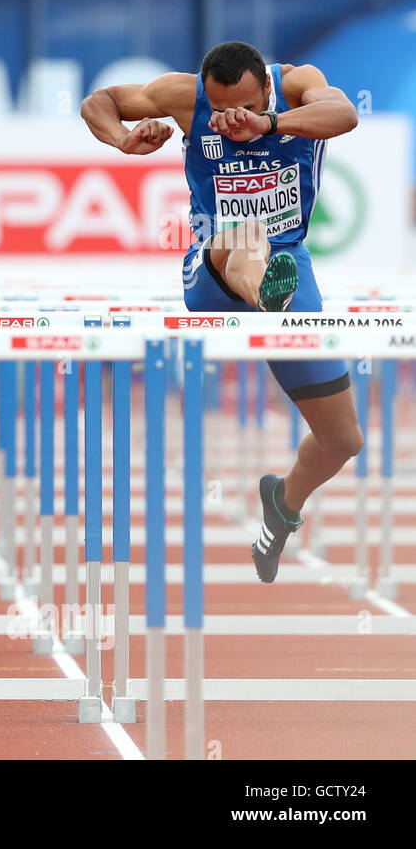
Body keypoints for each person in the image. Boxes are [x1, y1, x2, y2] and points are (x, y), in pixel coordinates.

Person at [81, 40, 363, 582]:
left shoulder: (298, 84)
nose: (231, 117)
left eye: (247, 106)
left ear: (266, 87)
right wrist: (123, 139)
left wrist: (271, 125)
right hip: (212, 264)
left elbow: (345, 114)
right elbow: (99, 101)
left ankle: (282, 502)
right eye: (219, 108)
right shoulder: (183, 96)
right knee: (248, 238)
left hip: (290, 263)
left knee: (343, 439)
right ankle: (266, 295)